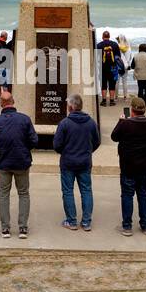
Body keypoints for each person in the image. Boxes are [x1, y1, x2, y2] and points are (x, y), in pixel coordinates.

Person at [0, 89, 37, 238]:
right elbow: (34, 140)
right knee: (23, 193)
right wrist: (24, 149)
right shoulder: (25, 119)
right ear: (13, 102)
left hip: (3, 163)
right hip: (22, 161)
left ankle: (5, 228)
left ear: (1, 104)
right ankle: (23, 228)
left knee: (3, 194)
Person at [53, 93, 101, 231]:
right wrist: (87, 151)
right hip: (85, 161)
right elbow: (96, 142)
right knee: (86, 190)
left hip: (68, 162)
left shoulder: (64, 124)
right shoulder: (91, 122)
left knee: (68, 191)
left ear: (71, 107)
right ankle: (86, 222)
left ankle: (71, 221)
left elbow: (57, 145)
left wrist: (66, 152)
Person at [111, 96, 146, 235]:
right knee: (143, 194)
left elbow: (114, 137)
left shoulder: (126, 125)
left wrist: (121, 122)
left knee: (127, 195)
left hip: (128, 166)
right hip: (144, 166)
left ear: (132, 110)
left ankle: (127, 226)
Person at [96, 30, 121, 106]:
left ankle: (103, 101)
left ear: (102, 37)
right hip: (113, 68)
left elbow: (96, 57)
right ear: (109, 36)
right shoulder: (115, 45)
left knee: (103, 84)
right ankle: (112, 101)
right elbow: (118, 57)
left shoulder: (99, 45)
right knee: (112, 84)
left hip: (102, 67)